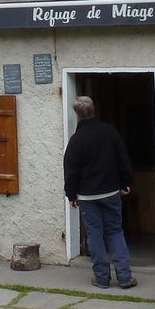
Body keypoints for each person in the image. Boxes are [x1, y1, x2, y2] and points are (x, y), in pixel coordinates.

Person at [63, 97, 137, 290]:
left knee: (95, 234)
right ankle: (125, 277)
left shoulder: (76, 140)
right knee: (114, 231)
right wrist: (126, 182)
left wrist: (71, 195)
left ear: (77, 115)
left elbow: (71, 170)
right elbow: (122, 158)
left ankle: (102, 278)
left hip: (87, 196)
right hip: (111, 191)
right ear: (94, 110)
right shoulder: (110, 132)